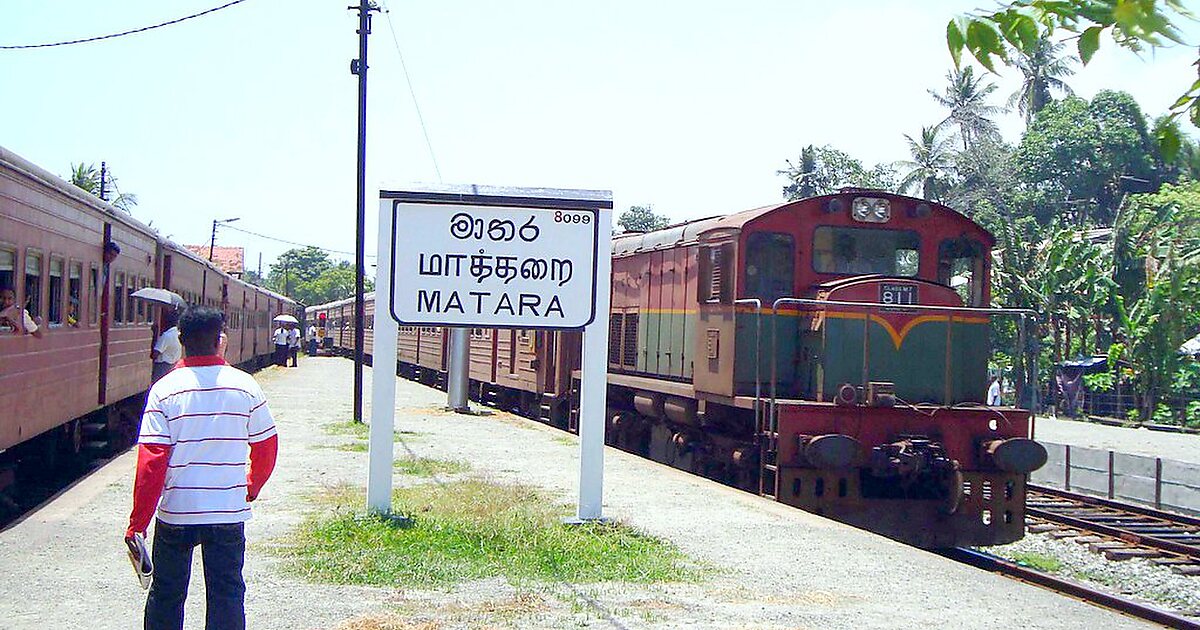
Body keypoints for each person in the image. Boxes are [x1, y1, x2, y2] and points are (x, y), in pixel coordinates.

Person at [126, 306, 278, 630]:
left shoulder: (164, 390)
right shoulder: (245, 386)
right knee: (227, 594)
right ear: (219, 339)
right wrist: (250, 487)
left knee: (166, 593)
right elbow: (266, 447)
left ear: (181, 340)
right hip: (227, 511)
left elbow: (151, 463)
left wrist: (138, 522)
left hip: (177, 512)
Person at [150, 308, 181, 383]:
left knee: (157, 386)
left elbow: (154, 354)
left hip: (163, 366)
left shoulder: (166, 336)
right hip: (173, 364)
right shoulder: (177, 334)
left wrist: (154, 336)